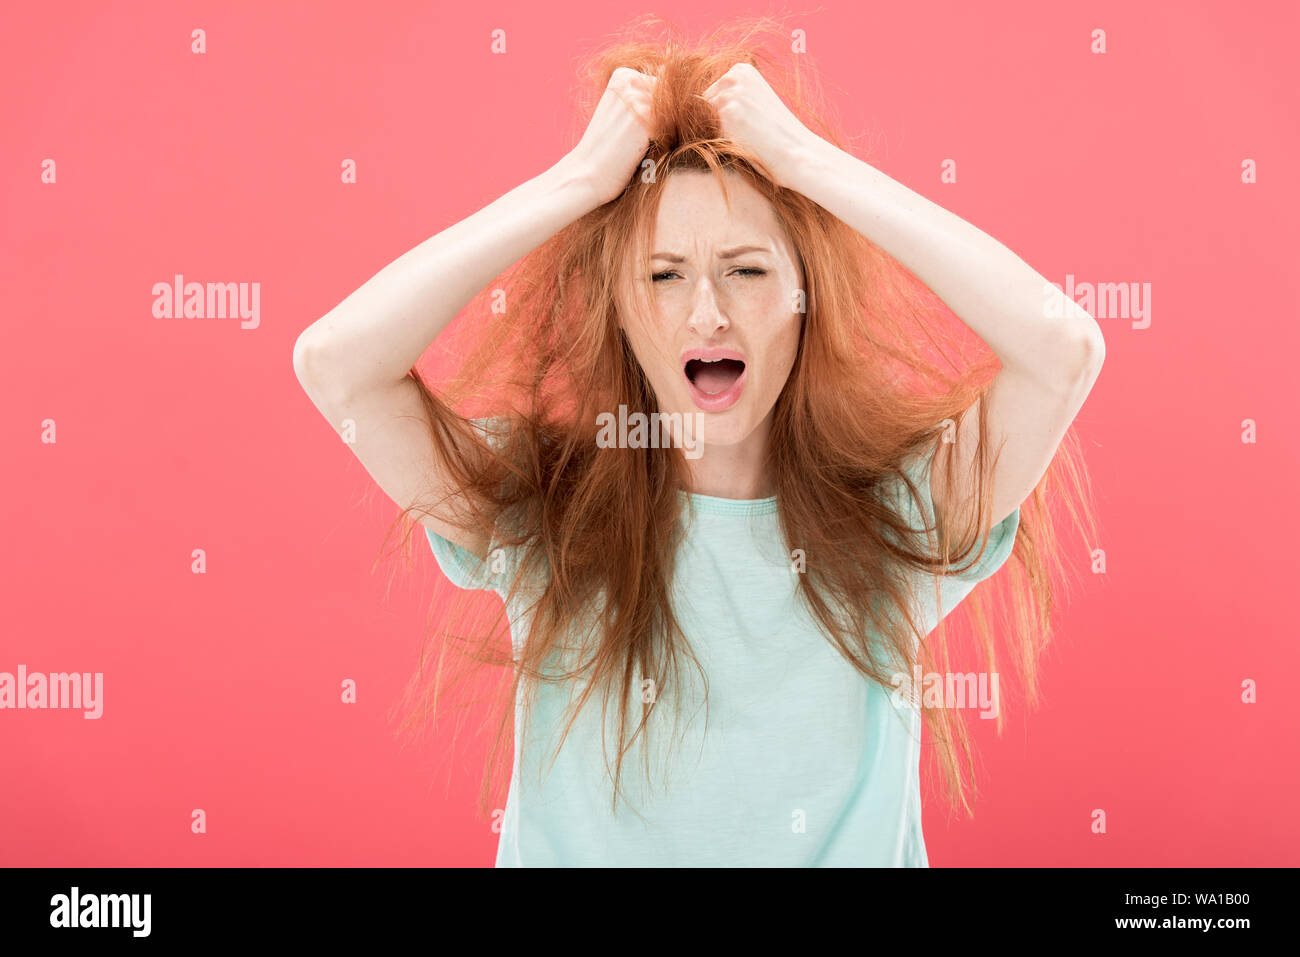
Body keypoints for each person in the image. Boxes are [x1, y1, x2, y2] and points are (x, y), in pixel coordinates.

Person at [292, 19, 1104, 866]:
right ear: (621, 314)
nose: (706, 311)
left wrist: (808, 167)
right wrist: (574, 183)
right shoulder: (546, 517)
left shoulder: (895, 519)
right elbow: (337, 365)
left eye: (747, 271)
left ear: (805, 301)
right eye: (662, 274)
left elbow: (1064, 352)